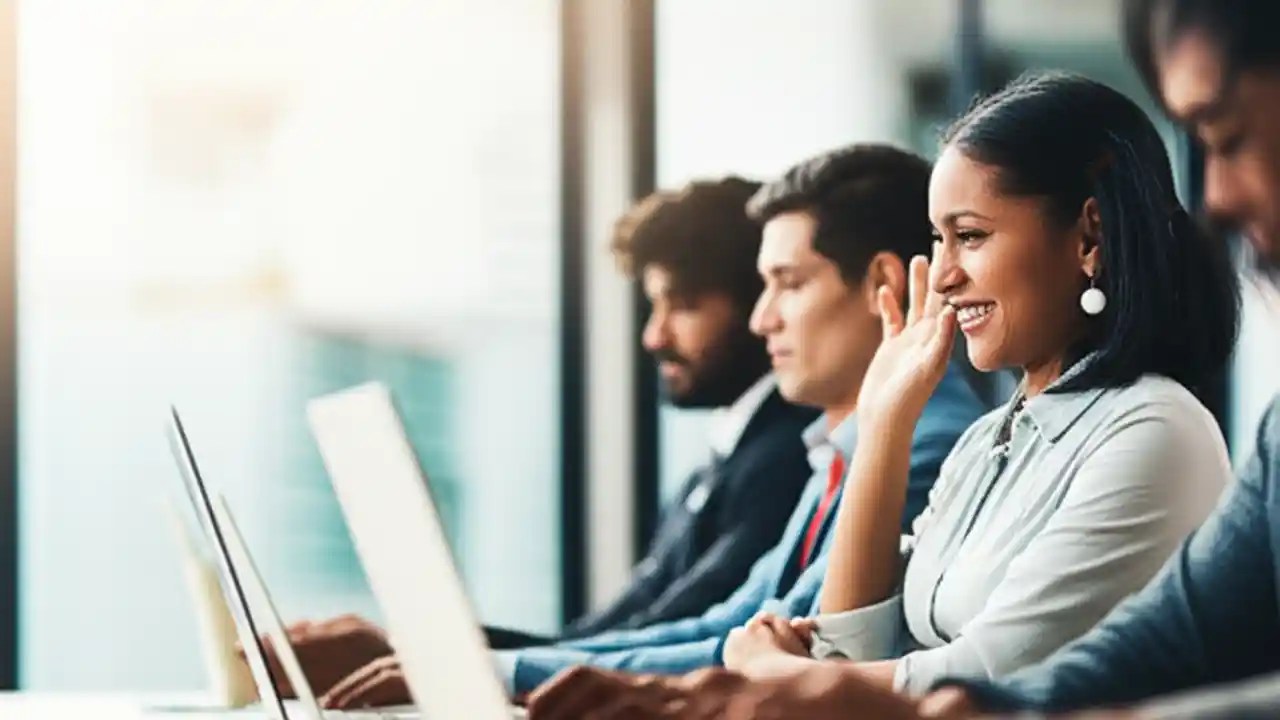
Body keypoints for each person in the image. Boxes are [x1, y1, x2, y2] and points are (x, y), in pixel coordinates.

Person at [522, 69, 1244, 720]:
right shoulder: (991, 437)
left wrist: (779, 673)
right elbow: (848, 647)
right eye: (939, 239)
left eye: (970, 236)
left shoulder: (1155, 430)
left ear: (1089, 236)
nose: (946, 273)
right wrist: (886, 419)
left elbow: (989, 676)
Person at [320, 144, 988, 709]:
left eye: (788, 283)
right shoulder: (843, 445)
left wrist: (488, 672)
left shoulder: (926, 445)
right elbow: (734, 625)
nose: (764, 321)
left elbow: (804, 647)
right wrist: (477, 666)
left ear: (882, 285)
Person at [253, 178, 823, 694]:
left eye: (686, 305)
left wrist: (436, 659)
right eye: (654, 306)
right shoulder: (731, 454)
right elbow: (610, 634)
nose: (654, 335)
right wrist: (424, 654)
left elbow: (674, 635)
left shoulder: (786, 458)